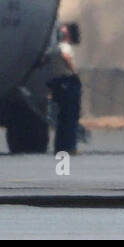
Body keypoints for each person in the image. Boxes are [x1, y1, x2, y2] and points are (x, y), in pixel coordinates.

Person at [47, 24, 82, 154]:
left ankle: (60, 147)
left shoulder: (52, 49)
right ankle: (68, 147)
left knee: (62, 117)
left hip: (58, 83)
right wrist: (73, 72)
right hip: (67, 81)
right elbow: (66, 57)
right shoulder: (64, 47)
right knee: (70, 116)